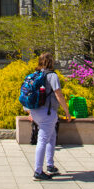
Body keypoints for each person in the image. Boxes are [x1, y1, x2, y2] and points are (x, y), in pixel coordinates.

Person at [26, 52, 72, 181]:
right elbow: (59, 95)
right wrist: (67, 111)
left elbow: (28, 93)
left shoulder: (34, 75)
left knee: (51, 137)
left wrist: (29, 111)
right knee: (43, 140)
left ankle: (50, 165)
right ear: (51, 62)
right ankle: (38, 170)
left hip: (36, 111)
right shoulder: (52, 76)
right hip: (47, 112)